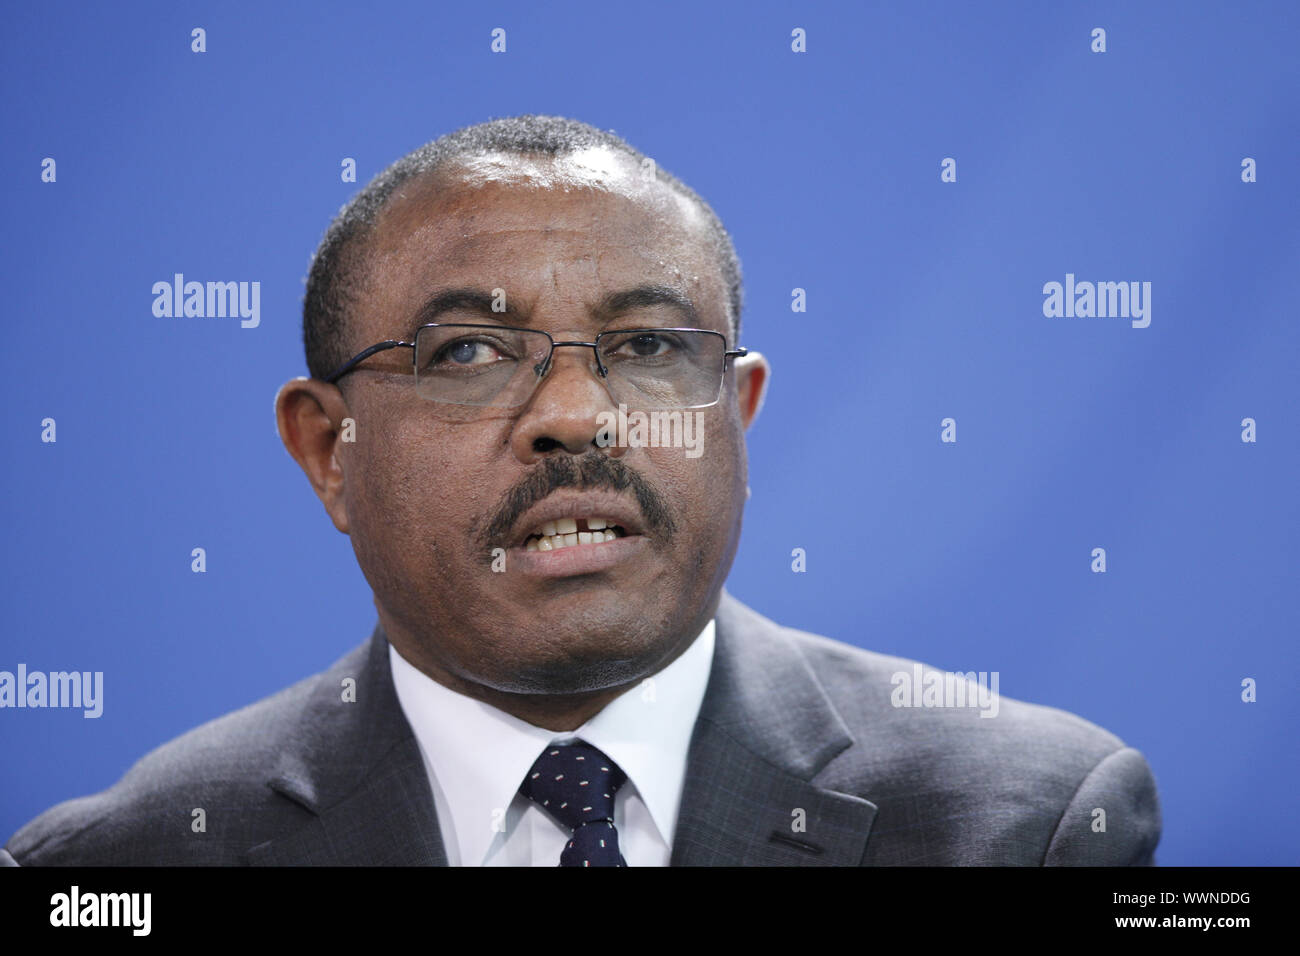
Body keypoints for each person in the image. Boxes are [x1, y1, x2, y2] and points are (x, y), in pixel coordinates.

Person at [3, 115, 1161, 866]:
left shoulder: (1022, 820)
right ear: (328, 450)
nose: (577, 413)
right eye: (467, 351)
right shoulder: (125, 861)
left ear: (736, 413)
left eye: (650, 346)